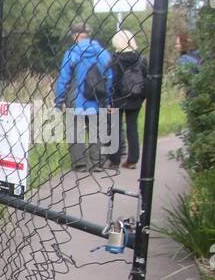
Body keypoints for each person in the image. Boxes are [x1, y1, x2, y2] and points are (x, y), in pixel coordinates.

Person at [55, 23, 113, 169]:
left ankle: (79, 163)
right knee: (97, 129)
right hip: (97, 98)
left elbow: (63, 79)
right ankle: (97, 162)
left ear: (75, 36)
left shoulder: (71, 53)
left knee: (75, 129)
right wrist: (108, 100)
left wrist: (59, 101)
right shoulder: (103, 53)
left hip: (76, 99)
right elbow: (110, 78)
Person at [109, 29, 147, 170]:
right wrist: (143, 97)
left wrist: (109, 99)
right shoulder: (141, 60)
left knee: (115, 128)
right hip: (135, 99)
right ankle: (132, 160)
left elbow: (111, 82)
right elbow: (146, 80)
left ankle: (114, 160)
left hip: (117, 99)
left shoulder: (114, 61)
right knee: (132, 128)